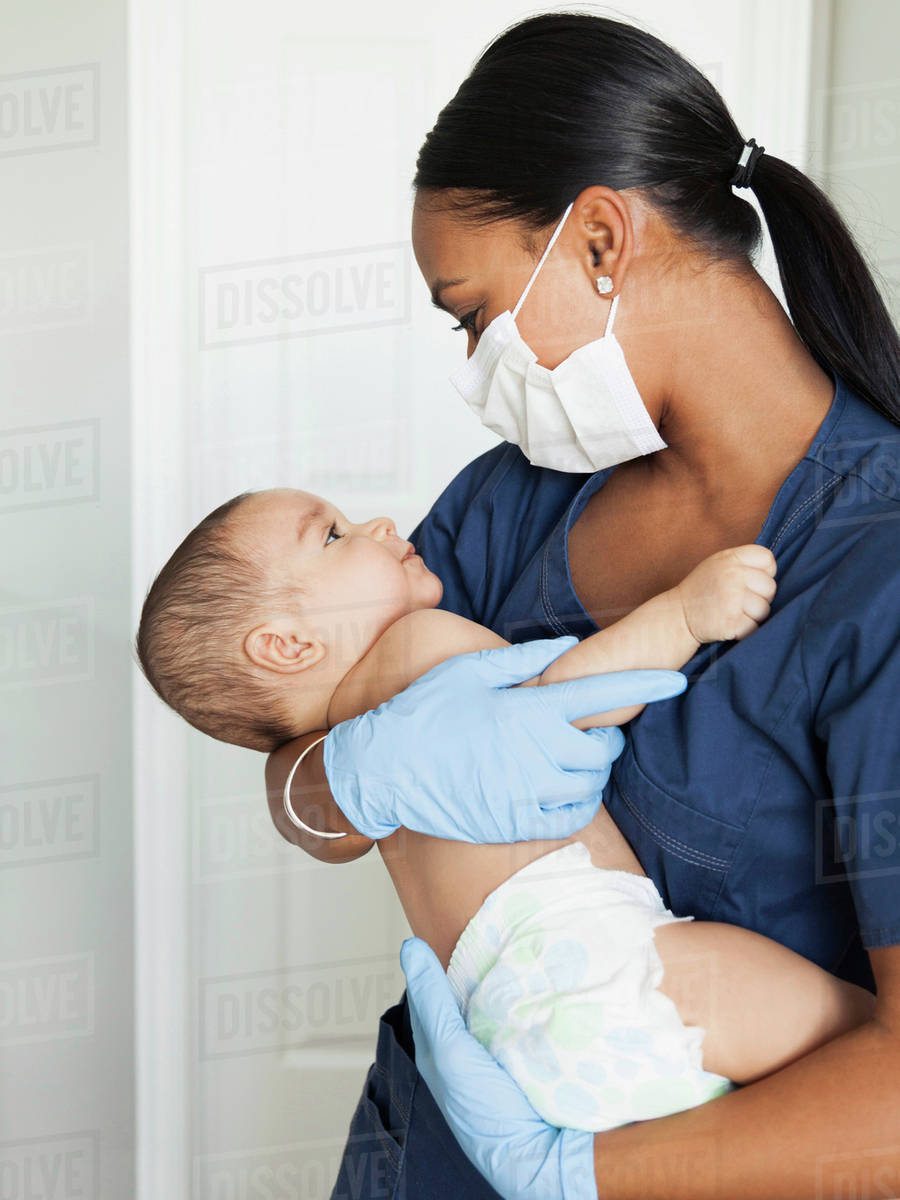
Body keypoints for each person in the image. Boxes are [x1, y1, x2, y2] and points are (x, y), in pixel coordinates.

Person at [265, 13, 900, 1200]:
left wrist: (580, 1178)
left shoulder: (877, 572)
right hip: (422, 1151)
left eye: (471, 312)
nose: (472, 363)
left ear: (600, 238)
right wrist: (338, 779)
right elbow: (298, 735)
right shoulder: (518, 500)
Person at [135, 483, 876, 1138]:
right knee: (861, 1039)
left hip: (516, 1045)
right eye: (333, 535)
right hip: (608, 974)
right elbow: (569, 699)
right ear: (288, 644)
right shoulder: (413, 644)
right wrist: (683, 615)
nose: (382, 525)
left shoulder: (353, 734)